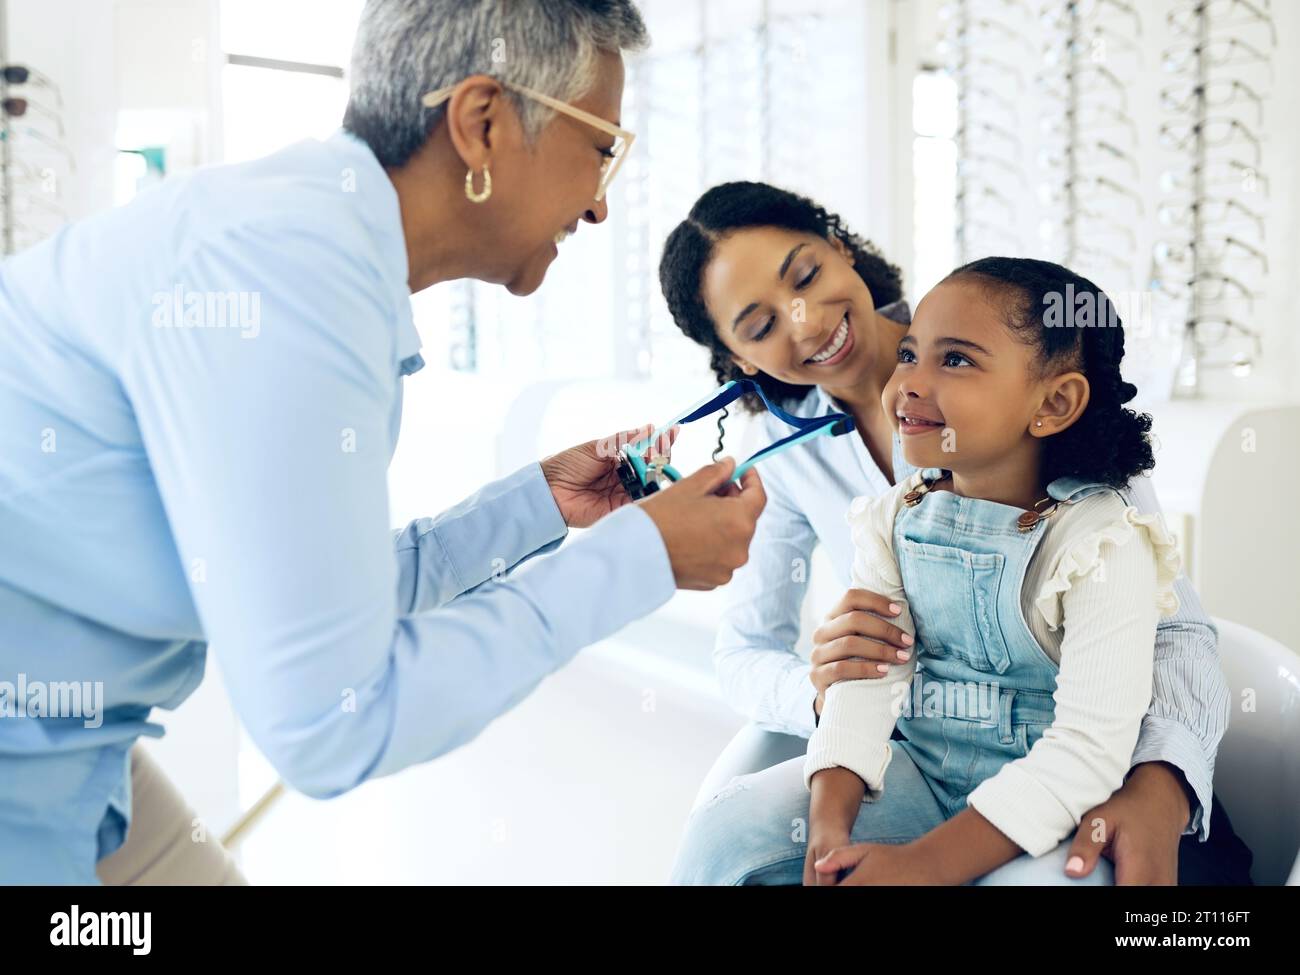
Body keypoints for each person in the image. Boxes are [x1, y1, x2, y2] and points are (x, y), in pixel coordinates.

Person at [0, 0, 766, 885]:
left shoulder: (310, 245)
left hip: (71, 748)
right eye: (601, 149)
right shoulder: (288, 284)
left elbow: (333, 604)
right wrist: (645, 556)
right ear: (481, 124)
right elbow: (333, 718)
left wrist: (540, 504)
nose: (599, 205)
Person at [659, 182, 1252, 885]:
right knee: (728, 837)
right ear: (739, 360)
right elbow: (750, 653)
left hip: (1072, 763)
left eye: (807, 274)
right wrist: (829, 690)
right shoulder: (827, 481)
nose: (810, 321)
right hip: (919, 753)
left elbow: (1173, 632)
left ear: (839, 247)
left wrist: (1159, 782)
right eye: (760, 327)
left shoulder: (1035, 376)